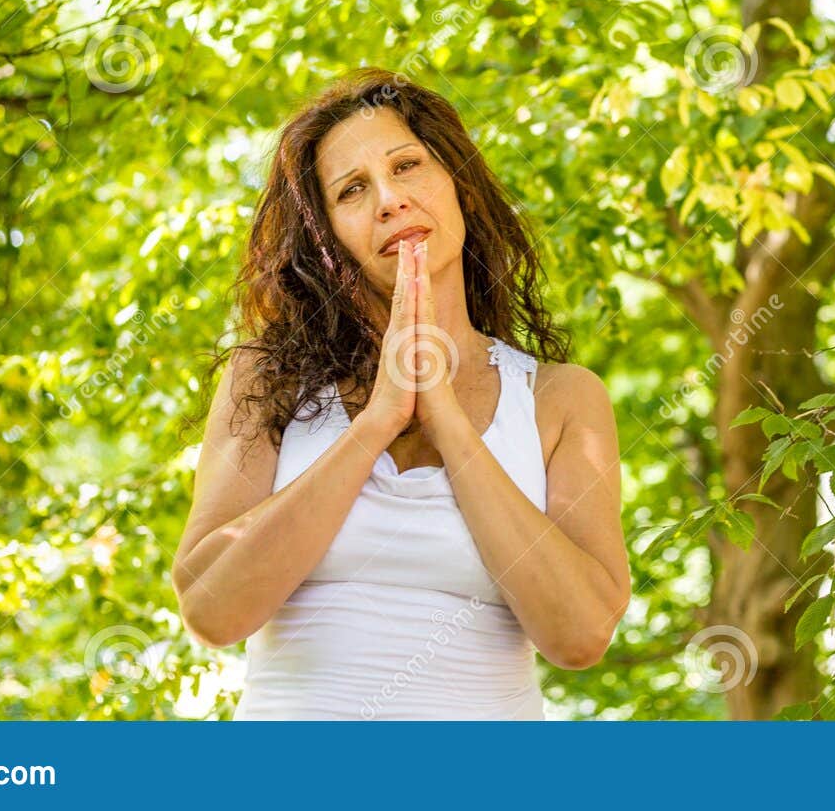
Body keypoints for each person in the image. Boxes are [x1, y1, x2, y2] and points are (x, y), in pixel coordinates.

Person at [172, 67, 630, 719]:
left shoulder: (560, 400)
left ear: (460, 189)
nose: (389, 199)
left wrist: (445, 418)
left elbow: (580, 634)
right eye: (352, 190)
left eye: (408, 165)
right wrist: (377, 421)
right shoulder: (267, 379)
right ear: (327, 239)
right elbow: (213, 609)